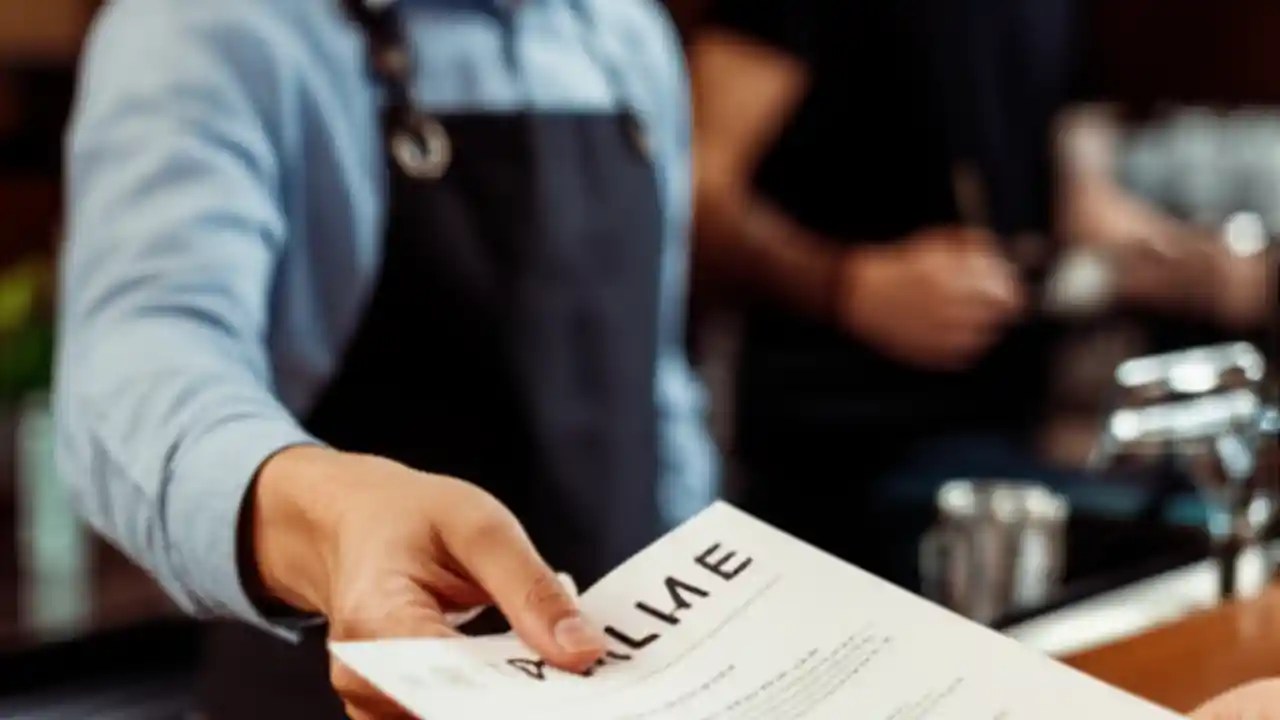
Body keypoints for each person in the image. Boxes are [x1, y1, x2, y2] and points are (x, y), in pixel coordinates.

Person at [55, 0, 716, 717]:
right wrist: (329, 520)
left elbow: (656, 386)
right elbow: (140, 354)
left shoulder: (627, 34)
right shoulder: (208, 26)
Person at [689, 0, 1273, 587]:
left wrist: (1209, 272)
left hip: (1003, 450)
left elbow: (1077, 203)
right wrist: (847, 286)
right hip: (841, 464)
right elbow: (694, 189)